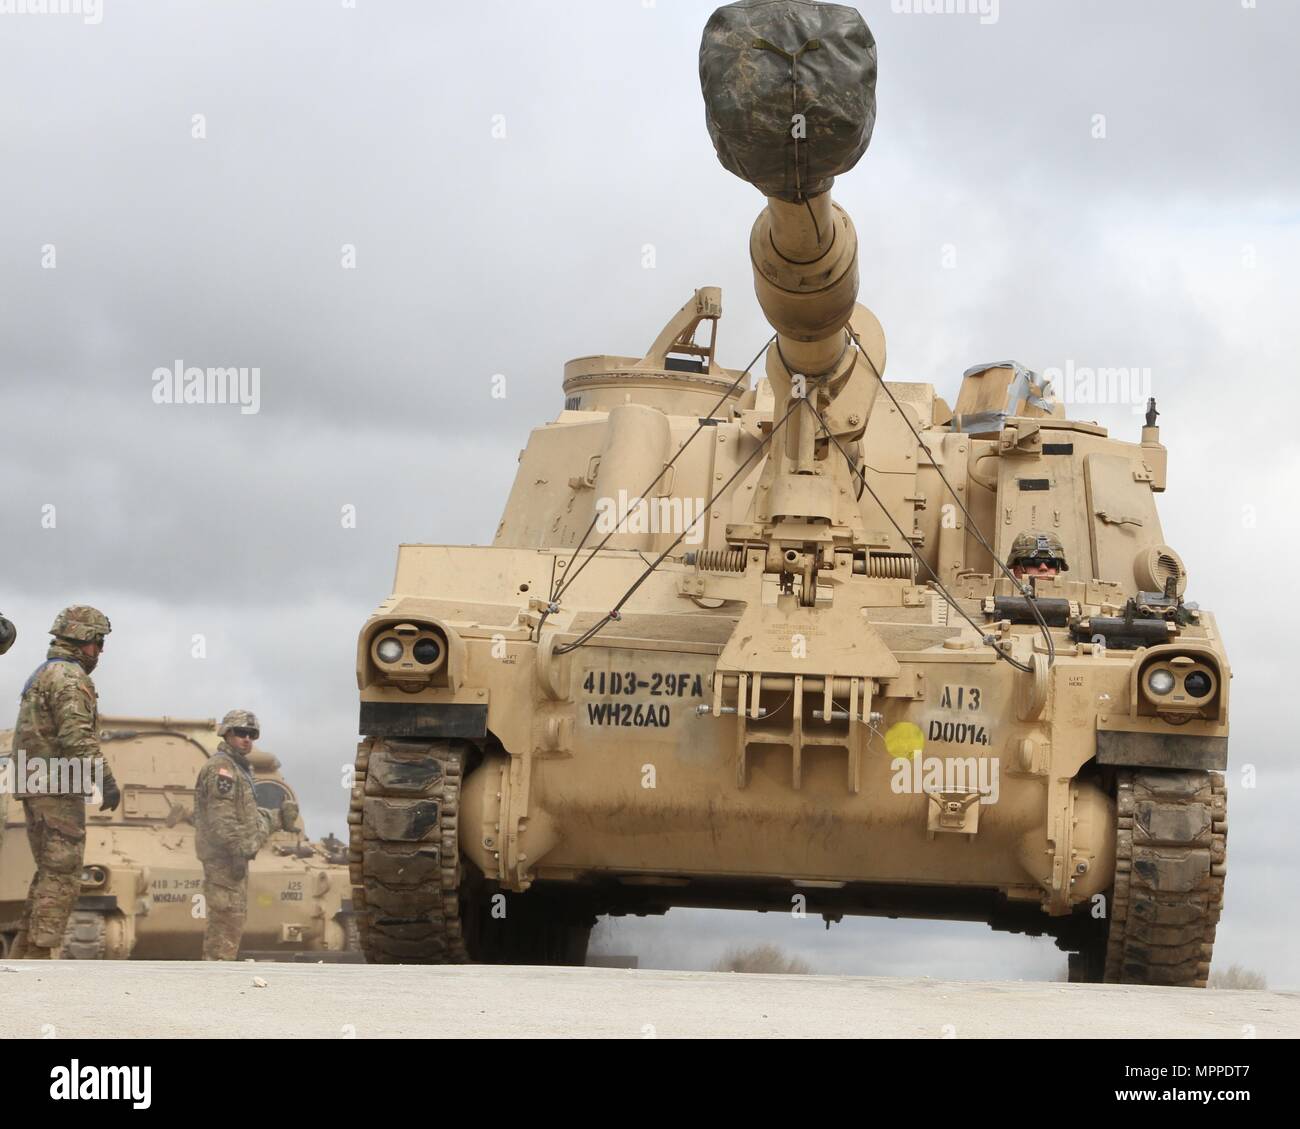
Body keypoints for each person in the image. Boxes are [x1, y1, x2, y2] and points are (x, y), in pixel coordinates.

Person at [10, 606, 121, 959]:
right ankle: (42, 955)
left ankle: (25, 956)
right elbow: (77, 738)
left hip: (37, 784)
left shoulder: (43, 674)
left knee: (49, 872)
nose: (100, 652)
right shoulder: (70, 679)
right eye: (99, 642)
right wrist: (105, 779)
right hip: (56, 787)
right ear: (83, 640)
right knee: (63, 874)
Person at [193, 709, 275, 960]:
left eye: (252, 734)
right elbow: (222, 819)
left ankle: (220, 977)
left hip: (233, 859)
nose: (247, 739)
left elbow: (244, 815)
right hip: (225, 860)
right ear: (227, 734)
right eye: (241, 733)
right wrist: (239, 850)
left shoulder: (238, 767)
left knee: (232, 921)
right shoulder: (222, 769)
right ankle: (216, 981)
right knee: (225, 922)